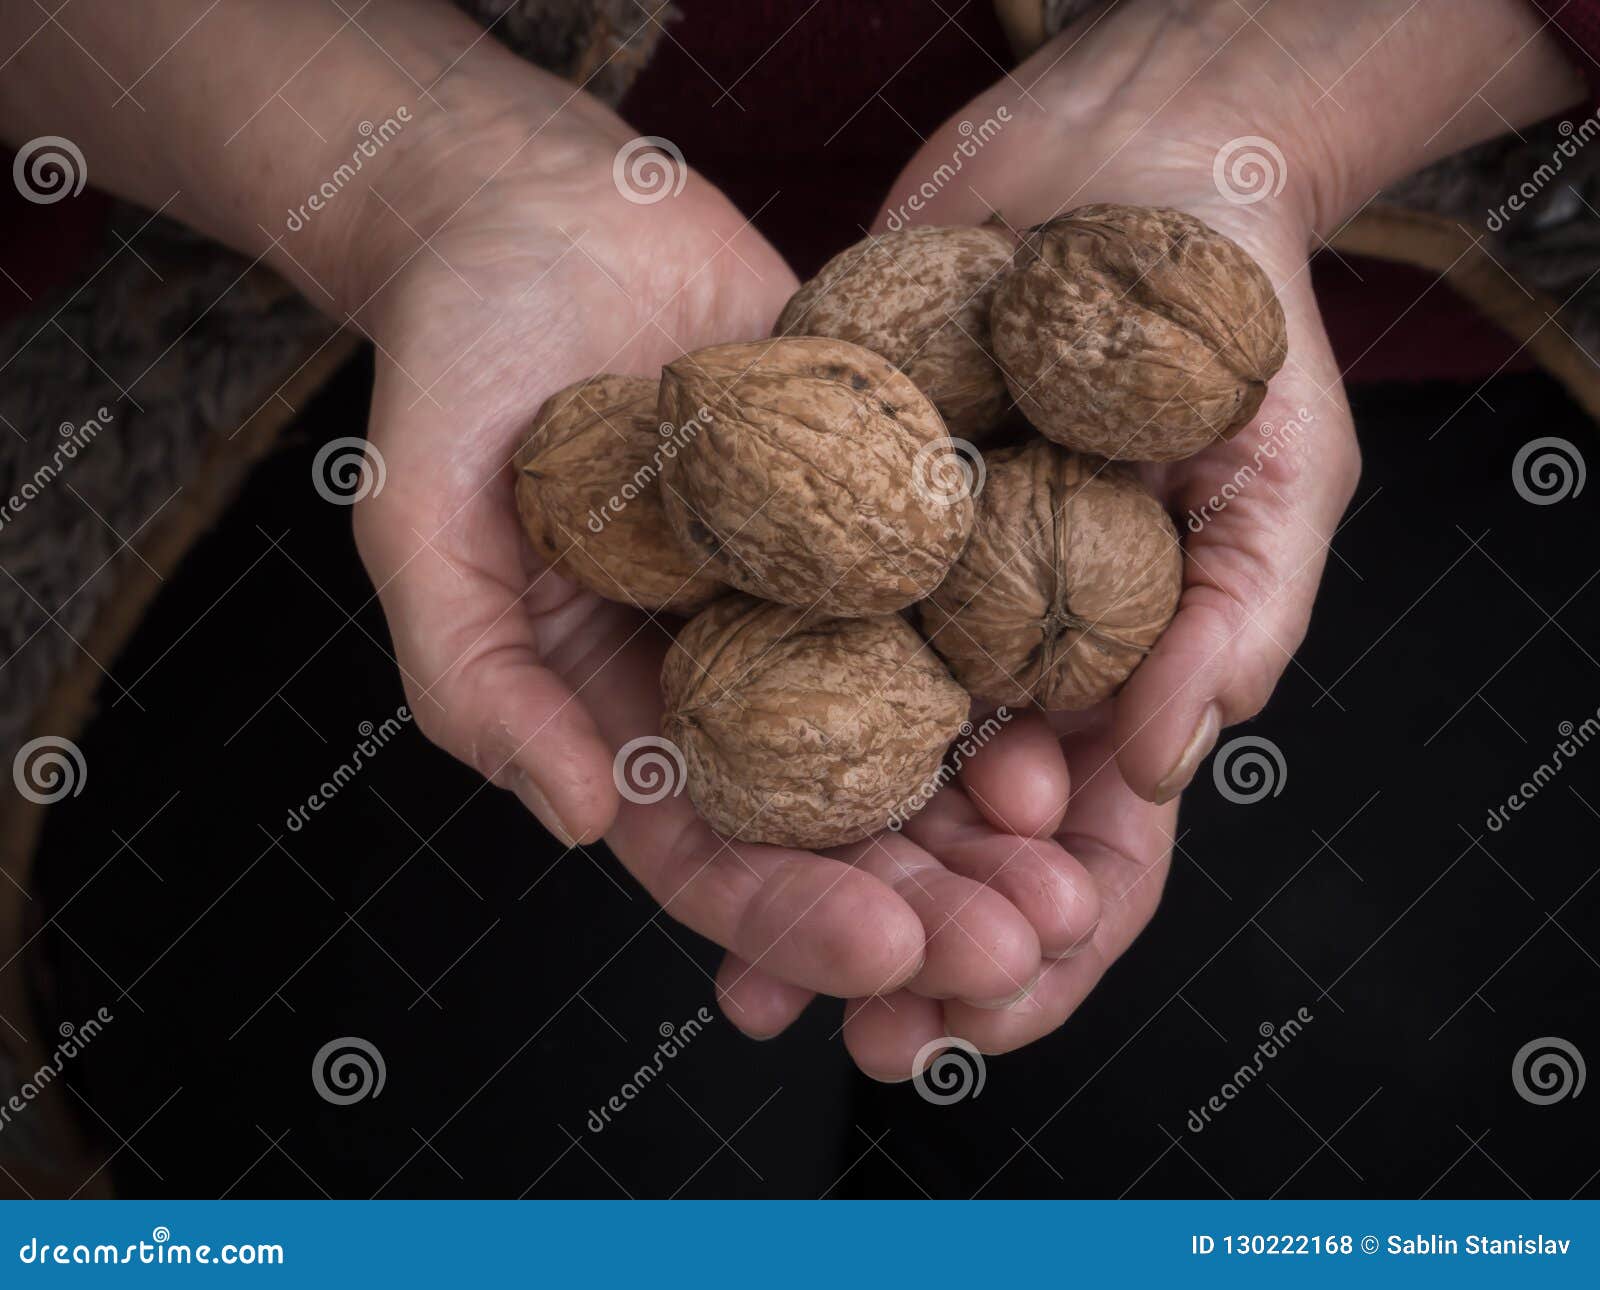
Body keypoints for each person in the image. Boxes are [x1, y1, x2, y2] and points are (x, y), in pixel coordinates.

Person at [0, 0, 1585, 1086]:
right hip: (269, 367)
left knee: (1317, 1049)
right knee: (473, 1092)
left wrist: (1271, 83)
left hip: (1442, 365)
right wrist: (424, 175)